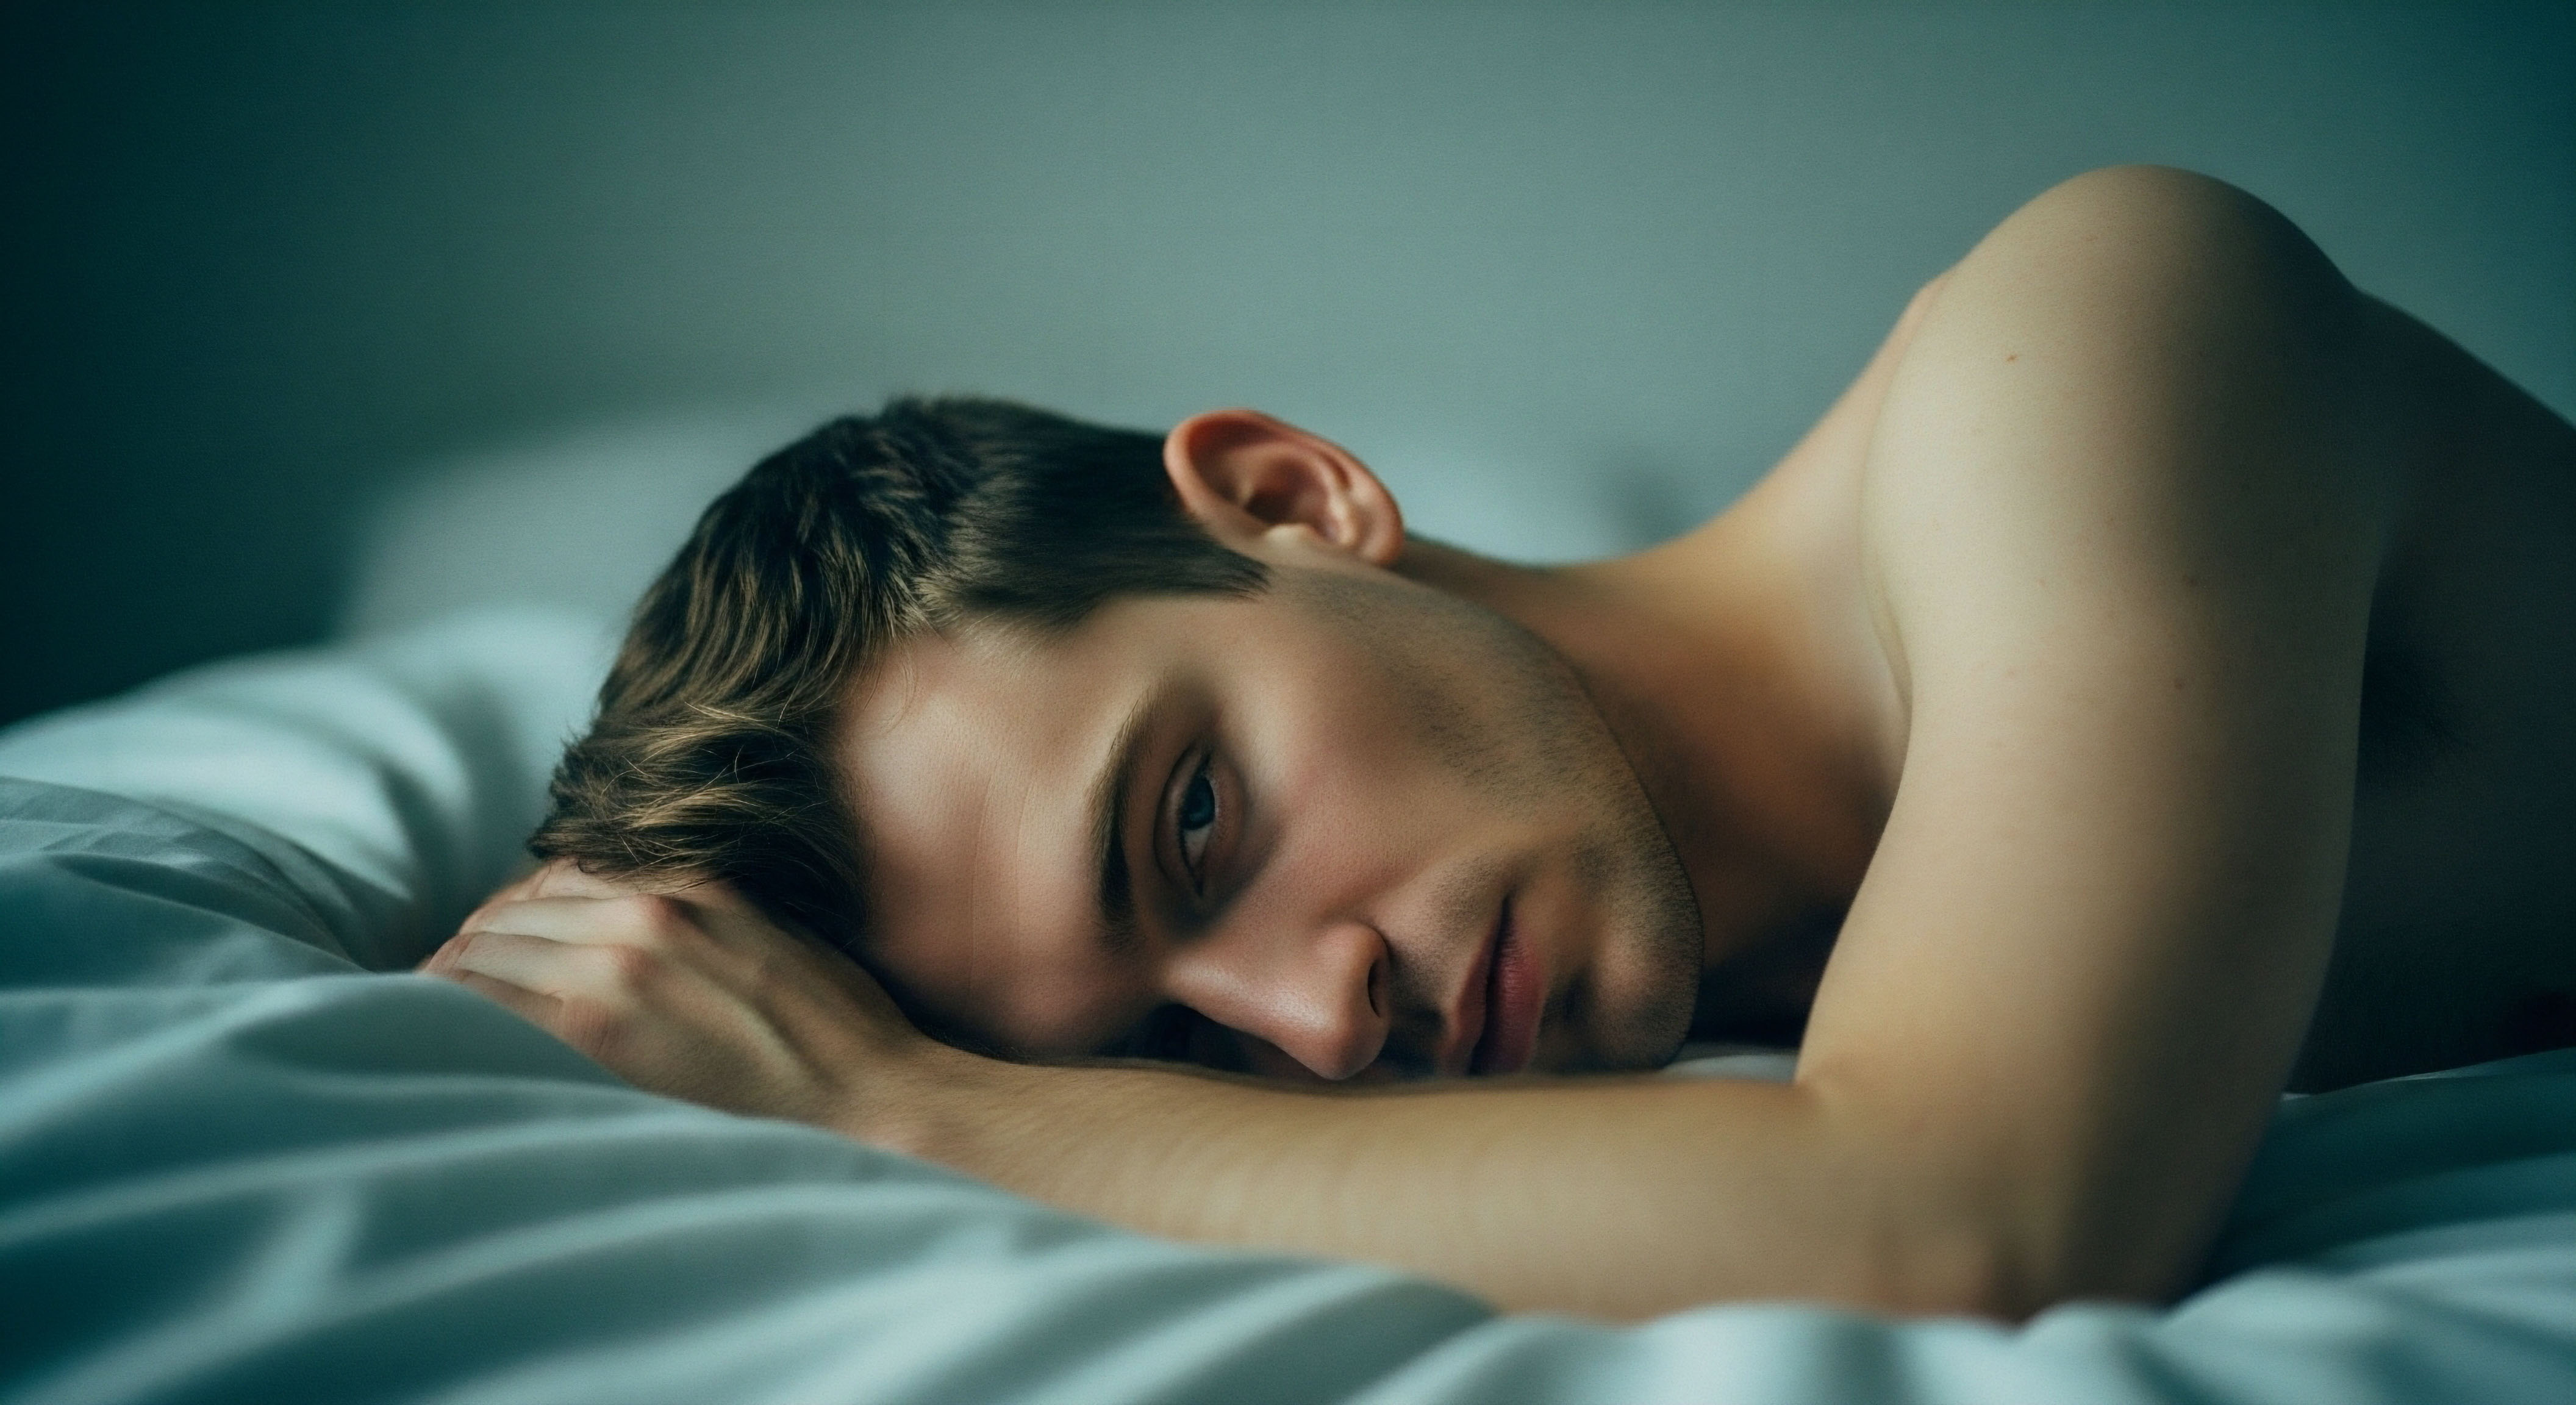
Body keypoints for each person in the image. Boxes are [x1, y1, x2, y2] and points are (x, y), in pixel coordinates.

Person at [421, 165, 2576, 1322]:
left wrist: (903, 1105)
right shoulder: (1703, 1044)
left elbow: (1977, 1217)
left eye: (1195, 823)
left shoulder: (2093, 338)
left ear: (1287, 500)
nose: (1317, 1024)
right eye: (1175, 1057)